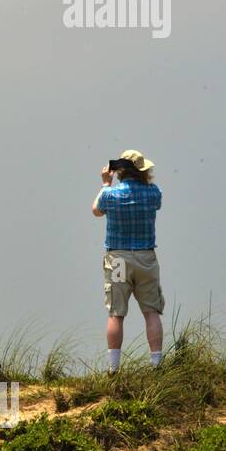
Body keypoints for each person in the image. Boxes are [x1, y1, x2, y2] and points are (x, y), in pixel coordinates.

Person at [92, 149, 164, 372]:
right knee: (151, 312)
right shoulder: (154, 193)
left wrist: (105, 183)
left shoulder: (110, 195)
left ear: (120, 171)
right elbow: (157, 203)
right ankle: (156, 366)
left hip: (118, 259)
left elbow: (96, 210)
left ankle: (113, 369)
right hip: (145, 257)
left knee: (116, 312)